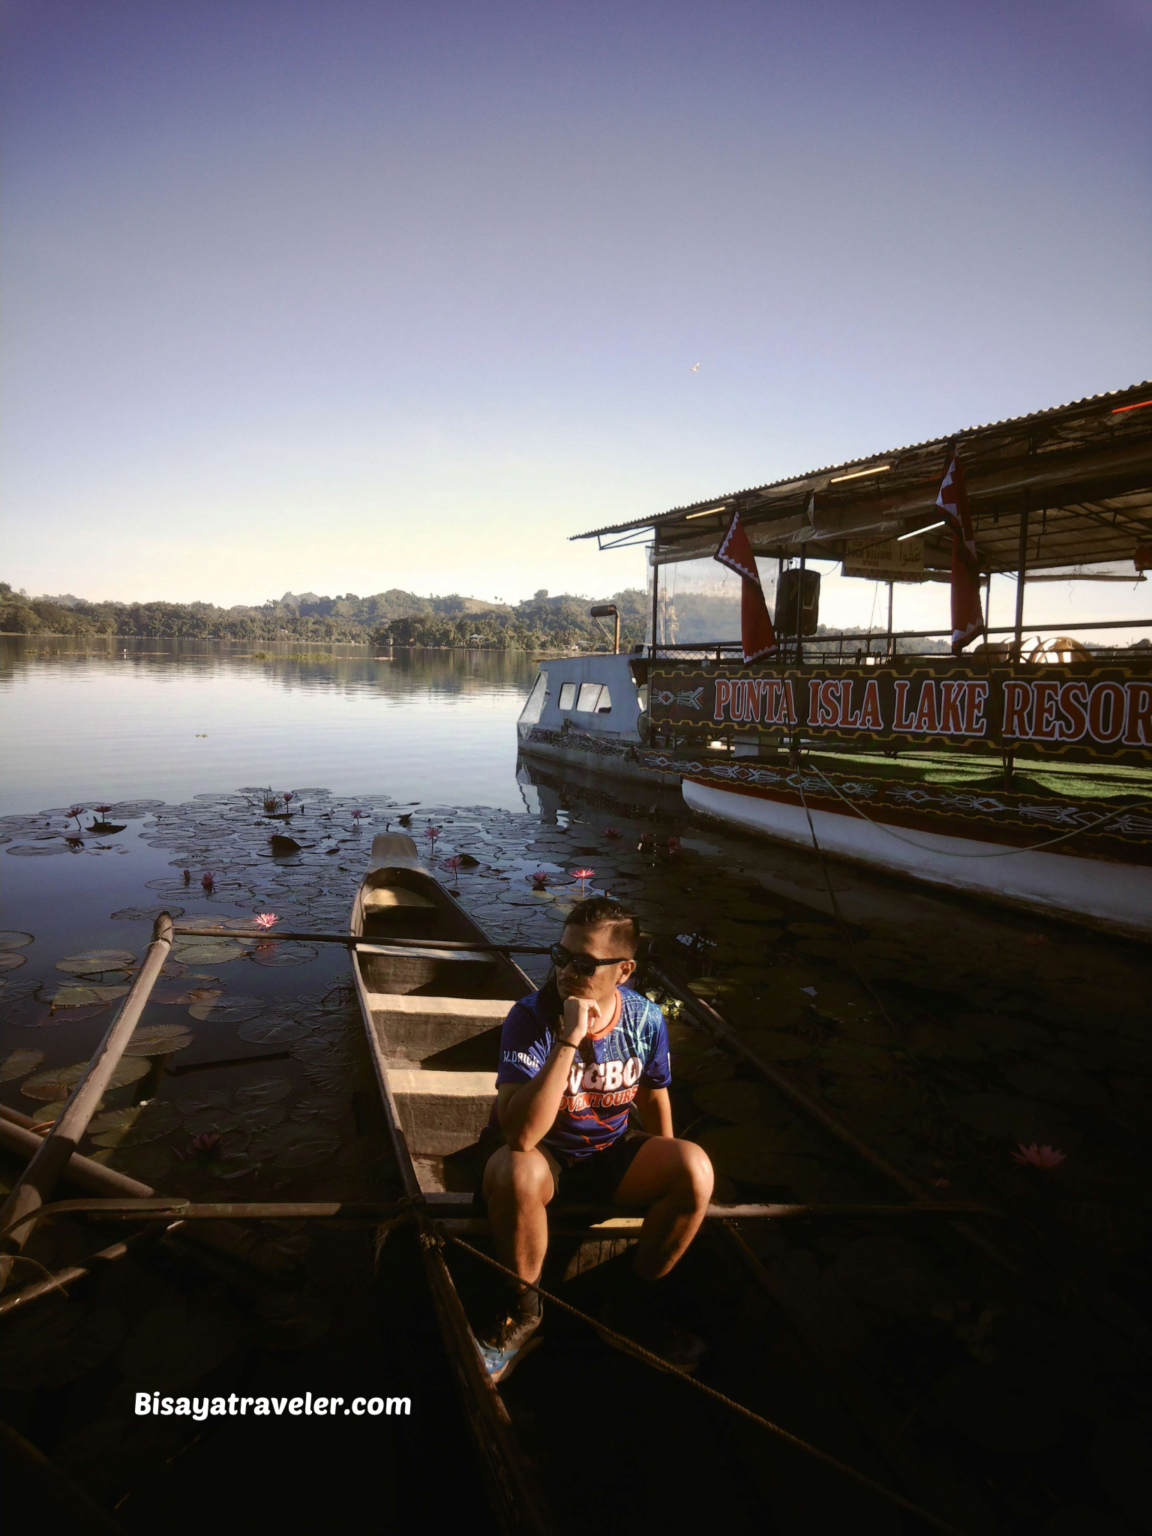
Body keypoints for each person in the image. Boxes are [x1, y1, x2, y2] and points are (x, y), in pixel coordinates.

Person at [474, 897, 714, 1383]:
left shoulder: (645, 1019)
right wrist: (568, 1039)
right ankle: (524, 1313)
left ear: (624, 970)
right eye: (560, 956)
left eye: (584, 963)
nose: (566, 971)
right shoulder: (532, 1016)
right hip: (544, 1157)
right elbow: (520, 1135)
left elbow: (653, 1098)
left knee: (695, 1167)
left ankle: (628, 1308)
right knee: (516, 1169)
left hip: (608, 1152)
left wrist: (662, 1170)